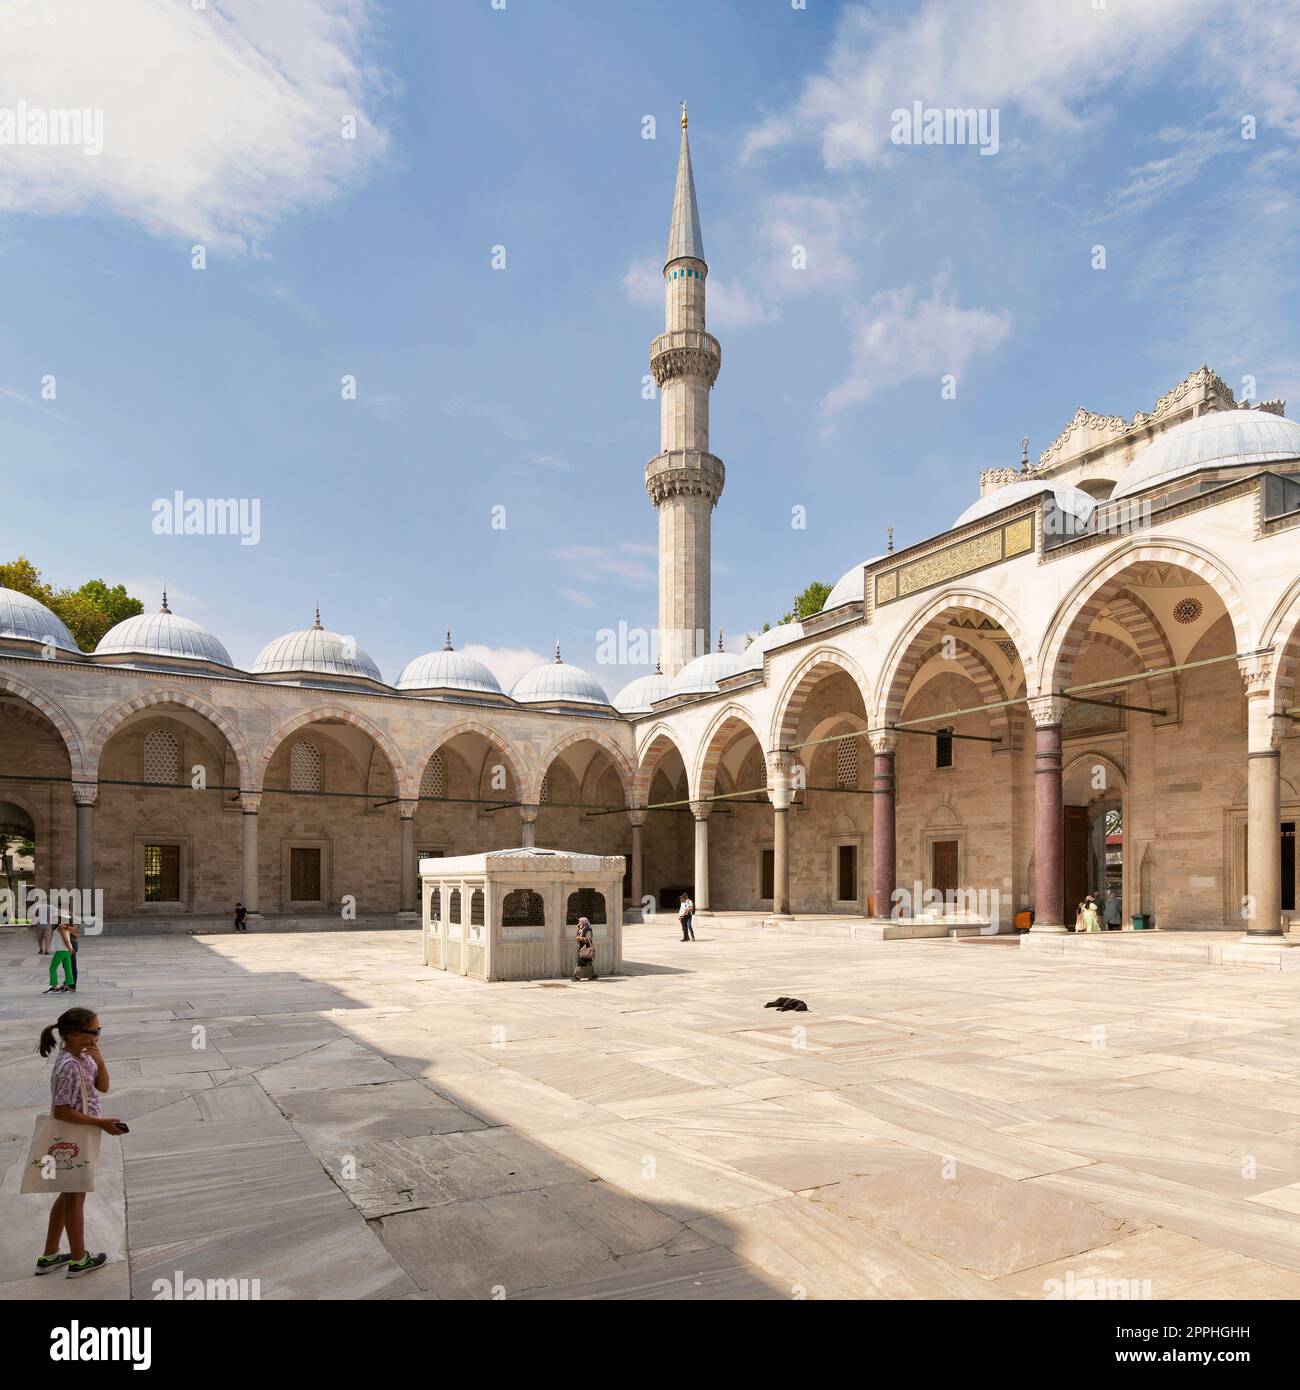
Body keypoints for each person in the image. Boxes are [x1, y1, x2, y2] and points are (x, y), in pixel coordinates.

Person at [34, 1007, 127, 1278]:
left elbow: (103, 1087)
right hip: (73, 1136)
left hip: (80, 1133)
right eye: (94, 1031)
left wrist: (101, 1060)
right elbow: (61, 1111)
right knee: (75, 1196)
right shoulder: (69, 1066)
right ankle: (79, 1259)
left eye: (99, 1030)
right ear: (74, 1034)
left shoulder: (83, 1057)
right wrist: (101, 1122)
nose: (98, 1036)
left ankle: (50, 1255)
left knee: (67, 1195)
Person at [45, 920, 75, 994]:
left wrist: (70, 948)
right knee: (68, 968)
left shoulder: (60, 927)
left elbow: (65, 939)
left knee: (52, 968)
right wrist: (70, 948)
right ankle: (67, 987)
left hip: (61, 950)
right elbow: (75, 932)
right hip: (66, 951)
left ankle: (54, 987)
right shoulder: (66, 927)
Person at [572, 917, 596, 981]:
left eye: (580, 922)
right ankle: (592, 975)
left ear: (584, 922)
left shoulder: (588, 929)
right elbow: (577, 937)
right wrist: (578, 930)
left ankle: (577, 976)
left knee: (582, 962)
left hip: (586, 948)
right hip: (581, 947)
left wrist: (581, 938)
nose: (579, 923)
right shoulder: (581, 929)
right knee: (586, 962)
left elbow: (589, 938)